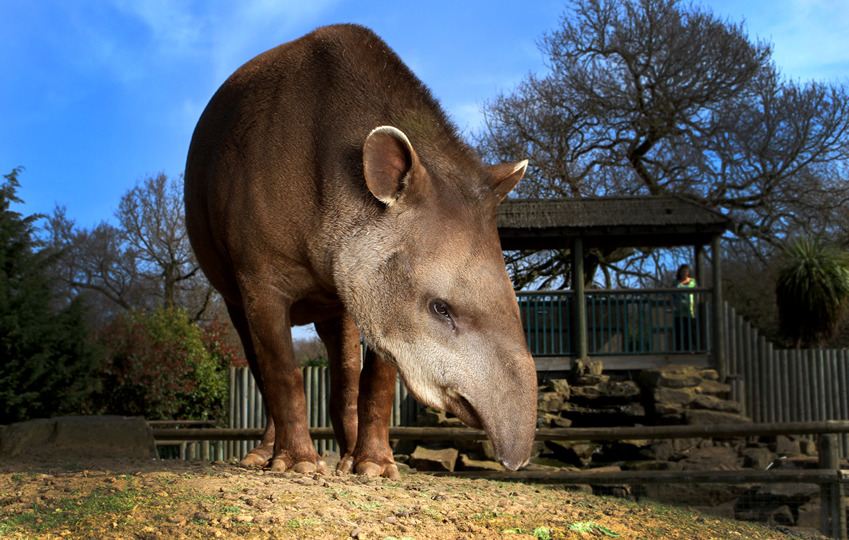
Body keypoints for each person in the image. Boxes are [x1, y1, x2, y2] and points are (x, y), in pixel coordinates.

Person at [674, 264, 696, 352]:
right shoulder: (675, 282)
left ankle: (690, 349)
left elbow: (696, 294)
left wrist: (695, 306)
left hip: (689, 309)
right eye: (683, 271)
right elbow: (670, 294)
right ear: (680, 272)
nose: (685, 273)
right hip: (678, 310)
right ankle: (679, 349)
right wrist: (672, 305)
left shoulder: (693, 282)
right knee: (679, 330)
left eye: (686, 271)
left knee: (690, 330)